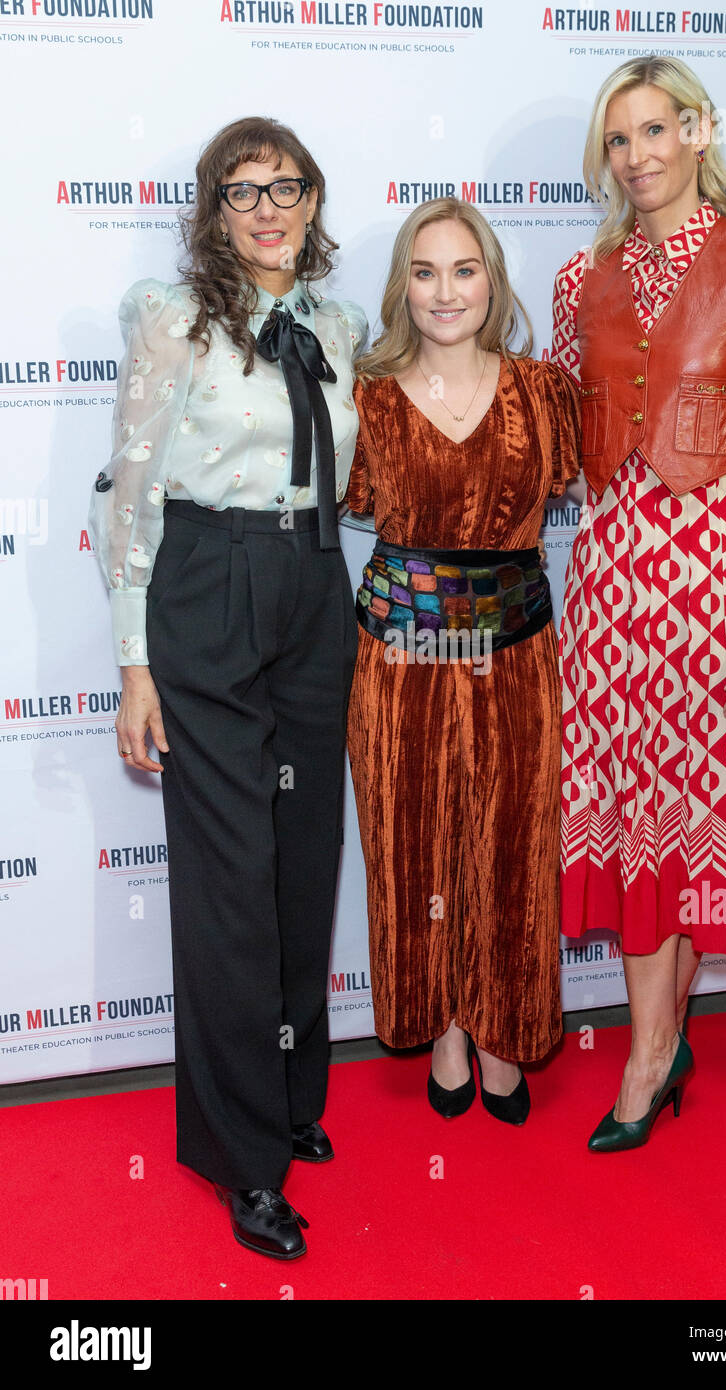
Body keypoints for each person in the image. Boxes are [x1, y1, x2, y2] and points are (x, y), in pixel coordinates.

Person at [89, 116, 366, 1256]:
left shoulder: (338, 326)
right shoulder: (171, 319)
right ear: (212, 209)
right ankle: (241, 1155)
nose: (267, 207)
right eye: (241, 190)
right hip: (205, 583)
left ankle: (294, 1101)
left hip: (312, 579)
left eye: (285, 186)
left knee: (304, 857)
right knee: (229, 883)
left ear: (311, 199)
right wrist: (130, 663)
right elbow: (129, 493)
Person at [552, 57, 726, 1150]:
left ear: (700, 133)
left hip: (717, 583)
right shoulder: (581, 278)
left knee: (698, 819)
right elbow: (569, 438)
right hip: (609, 589)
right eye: (619, 140)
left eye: (656, 131)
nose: (638, 157)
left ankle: (651, 1051)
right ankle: (658, 1040)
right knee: (629, 821)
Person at [345, 198, 580, 1125]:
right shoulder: (362, 395)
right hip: (399, 660)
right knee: (411, 846)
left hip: (517, 658)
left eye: (465, 270)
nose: (447, 292)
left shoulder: (544, 391)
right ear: (404, 286)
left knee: (513, 847)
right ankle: (440, 1025)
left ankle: (500, 1027)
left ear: (492, 279)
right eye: (426, 272)